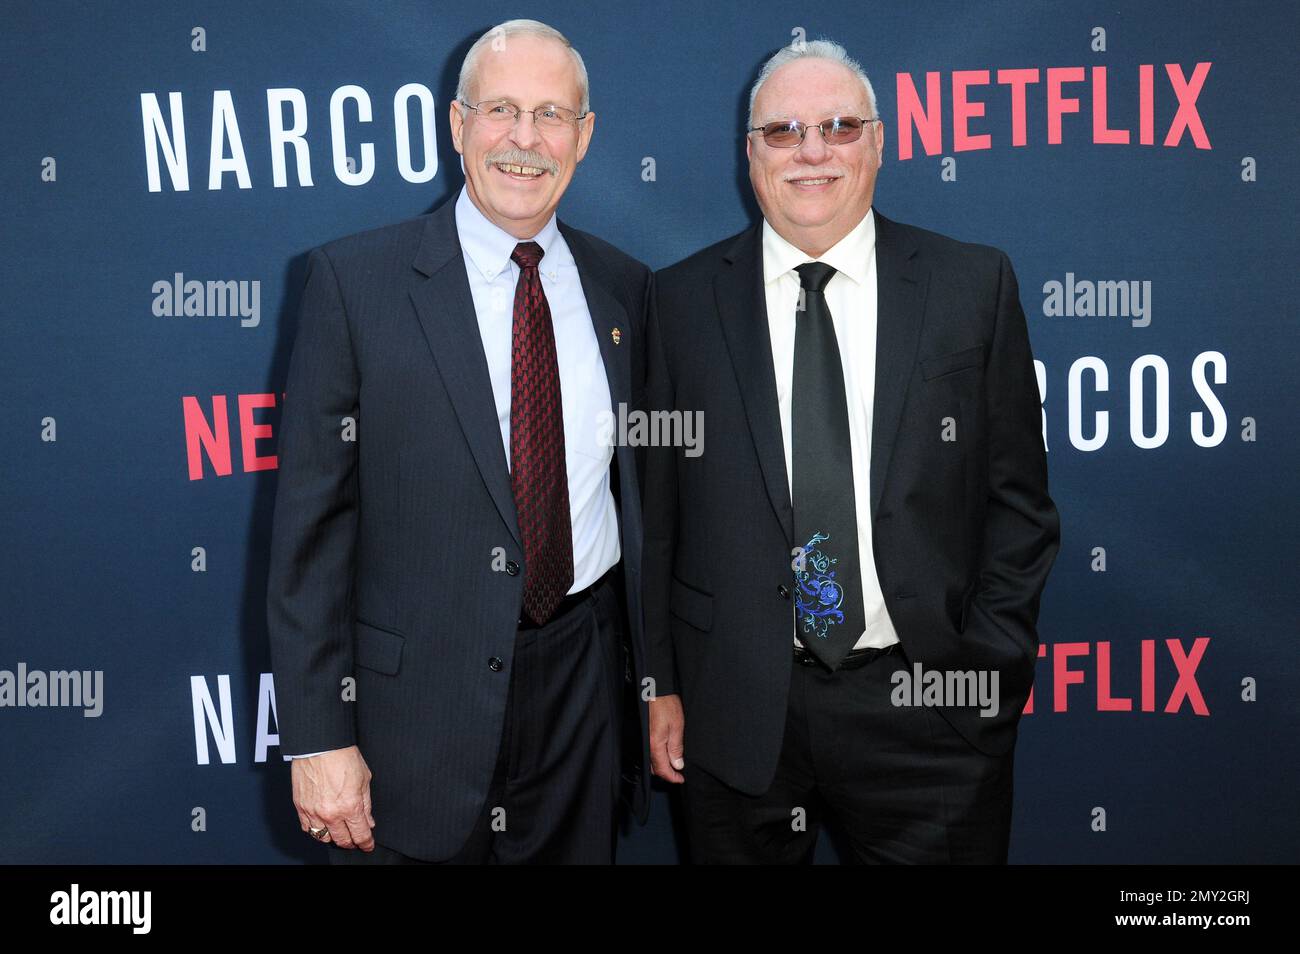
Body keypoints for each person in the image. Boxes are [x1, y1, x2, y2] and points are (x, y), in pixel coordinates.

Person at [642, 39, 1061, 863]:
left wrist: (986, 670)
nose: (812, 152)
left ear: (879, 142)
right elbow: (657, 521)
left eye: (838, 127)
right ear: (749, 151)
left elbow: (1019, 506)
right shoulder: (679, 301)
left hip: (929, 707)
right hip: (737, 714)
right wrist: (664, 684)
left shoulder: (973, 286)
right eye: (783, 131)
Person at [267, 18, 650, 864]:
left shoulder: (625, 289)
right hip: (412, 727)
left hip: (582, 707)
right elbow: (309, 536)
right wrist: (318, 739)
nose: (525, 139)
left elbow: (644, 507)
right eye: (501, 109)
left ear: (584, 138)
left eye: (553, 115)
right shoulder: (353, 283)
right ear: (457, 124)